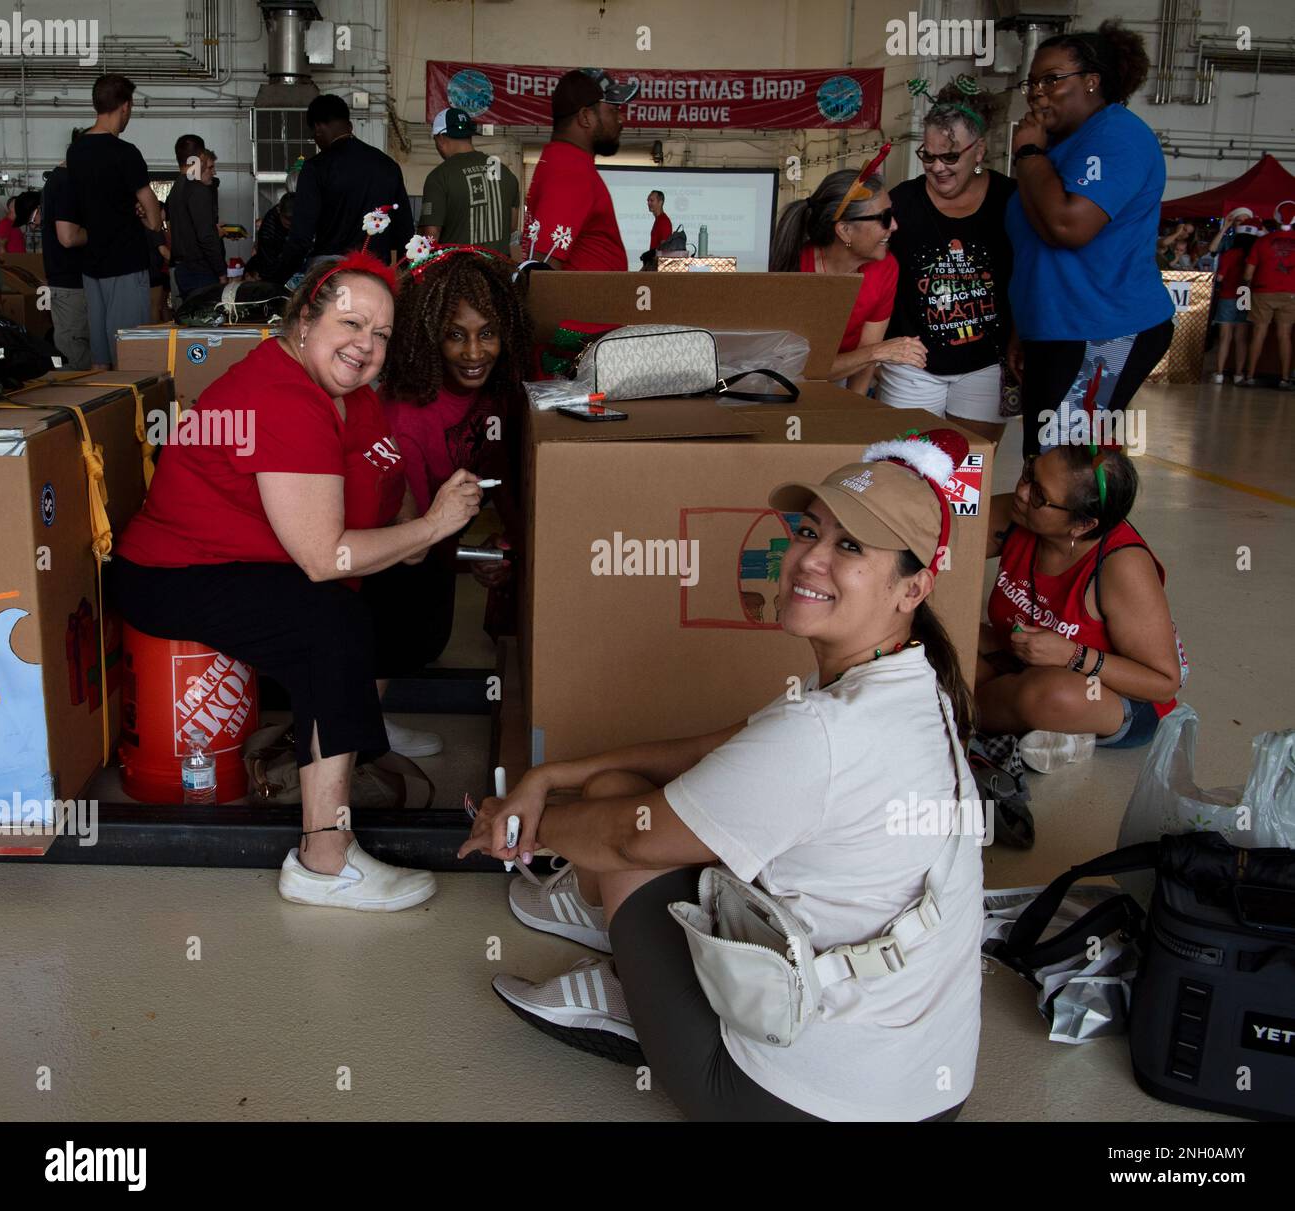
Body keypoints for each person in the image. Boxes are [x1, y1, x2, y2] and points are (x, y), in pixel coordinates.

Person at [460, 430, 983, 1123]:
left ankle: (628, 989)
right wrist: (553, 772)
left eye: (851, 547)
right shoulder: (913, 687)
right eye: (809, 530)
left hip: (790, 1099)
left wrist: (516, 822)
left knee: (622, 819)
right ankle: (607, 917)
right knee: (635, 803)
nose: (809, 558)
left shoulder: (826, 733)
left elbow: (627, 838)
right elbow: (730, 744)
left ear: (913, 587)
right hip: (926, 1093)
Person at [109, 254, 485, 910]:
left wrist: (413, 529)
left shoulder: (351, 393)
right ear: (305, 318)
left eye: (382, 333)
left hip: (254, 556)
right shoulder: (281, 398)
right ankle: (324, 860)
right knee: (328, 621)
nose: (366, 345)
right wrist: (427, 528)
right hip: (173, 572)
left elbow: (383, 471)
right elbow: (321, 558)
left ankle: (360, 724)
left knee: (409, 578)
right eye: (351, 322)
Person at [366, 248, 534, 719]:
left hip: (440, 541)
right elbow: (412, 542)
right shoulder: (406, 416)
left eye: (488, 335)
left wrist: (508, 546)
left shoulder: (497, 393)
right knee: (400, 632)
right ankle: (362, 736)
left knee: (429, 643)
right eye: (456, 336)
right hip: (389, 554)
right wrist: (477, 558)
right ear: (429, 337)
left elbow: (503, 475)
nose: (475, 353)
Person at [1005, 21, 1175, 457]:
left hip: (1103, 328)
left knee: (1062, 466)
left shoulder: (1117, 135)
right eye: (1032, 82)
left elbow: (1068, 227)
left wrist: (1026, 154)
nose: (1037, 92)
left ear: (1093, 82)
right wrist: (1027, 327)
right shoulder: (1063, 146)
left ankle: (1087, 529)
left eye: (1052, 79)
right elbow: (1037, 245)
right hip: (1059, 327)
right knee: (1044, 458)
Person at [977, 445, 1184, 771]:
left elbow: (1163, 683)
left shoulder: (1122, 566)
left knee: (1048, 695)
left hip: (1108, 694)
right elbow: (943, 544)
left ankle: (963, 709)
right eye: (1030, 471)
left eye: (1039, 496)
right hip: (1021, 661)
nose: (1021, 491)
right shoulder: (1019, 513)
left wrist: (1072, 655)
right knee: (938, 632)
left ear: (1082, 525)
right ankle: (1028, 723)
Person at [880, 81, 1016, 443]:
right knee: (905, 470)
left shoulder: (1009, 200)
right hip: (913, 364)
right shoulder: (902, 201)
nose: (938, 167)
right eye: (928, 156)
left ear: (979, 150)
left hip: (985, 364)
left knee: (970, 471)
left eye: (950, 157)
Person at [770, 167, 921, 394]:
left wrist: (853, 411)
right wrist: (877, 352)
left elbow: (864, 360)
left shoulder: (885, 268)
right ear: (845, 230)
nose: (894, 226)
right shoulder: (798, 270)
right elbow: (802, 368)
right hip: (787, 383)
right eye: (885, 218)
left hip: (843, 373)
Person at [58, 73, 162, 369]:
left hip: (92, 267)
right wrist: (148, 218)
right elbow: (152, 215)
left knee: (100, 358)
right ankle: (133, 415)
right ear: (125, 106)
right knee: (131, 356)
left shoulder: (75, 151)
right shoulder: (125, 153)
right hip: (126, 265)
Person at [277, 94, 413, 280]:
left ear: (318, 127)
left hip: (330, 274)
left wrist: (279, 277)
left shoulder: (316, 168)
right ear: (348, 124)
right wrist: (405, 274)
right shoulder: (387, 165)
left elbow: (301, 238)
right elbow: (404, 231)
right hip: (374, 273)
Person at [522, 68, 638, 270]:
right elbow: (541, 269)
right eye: (613, 110)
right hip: (581, 301)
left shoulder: (562, 161)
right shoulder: (571, 170)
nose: (621, 120)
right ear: (585, 117)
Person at [418, 108, 520, 258]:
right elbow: (512, 227)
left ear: (440, 138)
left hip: (458, 275)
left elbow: (430, 238)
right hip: (499, 275)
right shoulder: (504, 172)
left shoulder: (439, 176)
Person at [39, 132, 91, 370]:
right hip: (71, 283)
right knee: (75, 355)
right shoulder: (68, 181)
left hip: (65, 281)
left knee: (72, 347)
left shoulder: (57, 179)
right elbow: (68, 238)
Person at [1240, 206, 1295, 389]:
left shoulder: (1262, 242)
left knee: (1258, 333)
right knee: (1285, 335)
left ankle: (1249, 377)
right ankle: (1285, 379)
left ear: (1277, 218)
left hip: (1263, 291)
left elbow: (1248, 274)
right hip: (1291, 293)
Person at [168, 139, 227, 298]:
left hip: (182, 270)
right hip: (201, 271)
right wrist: (221, 272)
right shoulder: (198, 190)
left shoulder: (175, 189)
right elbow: (205, 236)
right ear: (200, 158)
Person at [1208, 210, 1260, 385]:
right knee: (1241, 337)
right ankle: (1239, 374)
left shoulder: (1230, 252)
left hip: (1227, 295)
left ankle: (1220, 373)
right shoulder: (1256, 250)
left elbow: (1220, 276)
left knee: (1225, 337)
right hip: (1245, 294)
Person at [246, 192, 294, 282]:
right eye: (286, 218)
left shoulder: (302, 217)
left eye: (293, 219)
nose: (290, 222)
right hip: (269, 268)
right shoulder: (268, 229)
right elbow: (267, 261)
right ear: (279, 210)